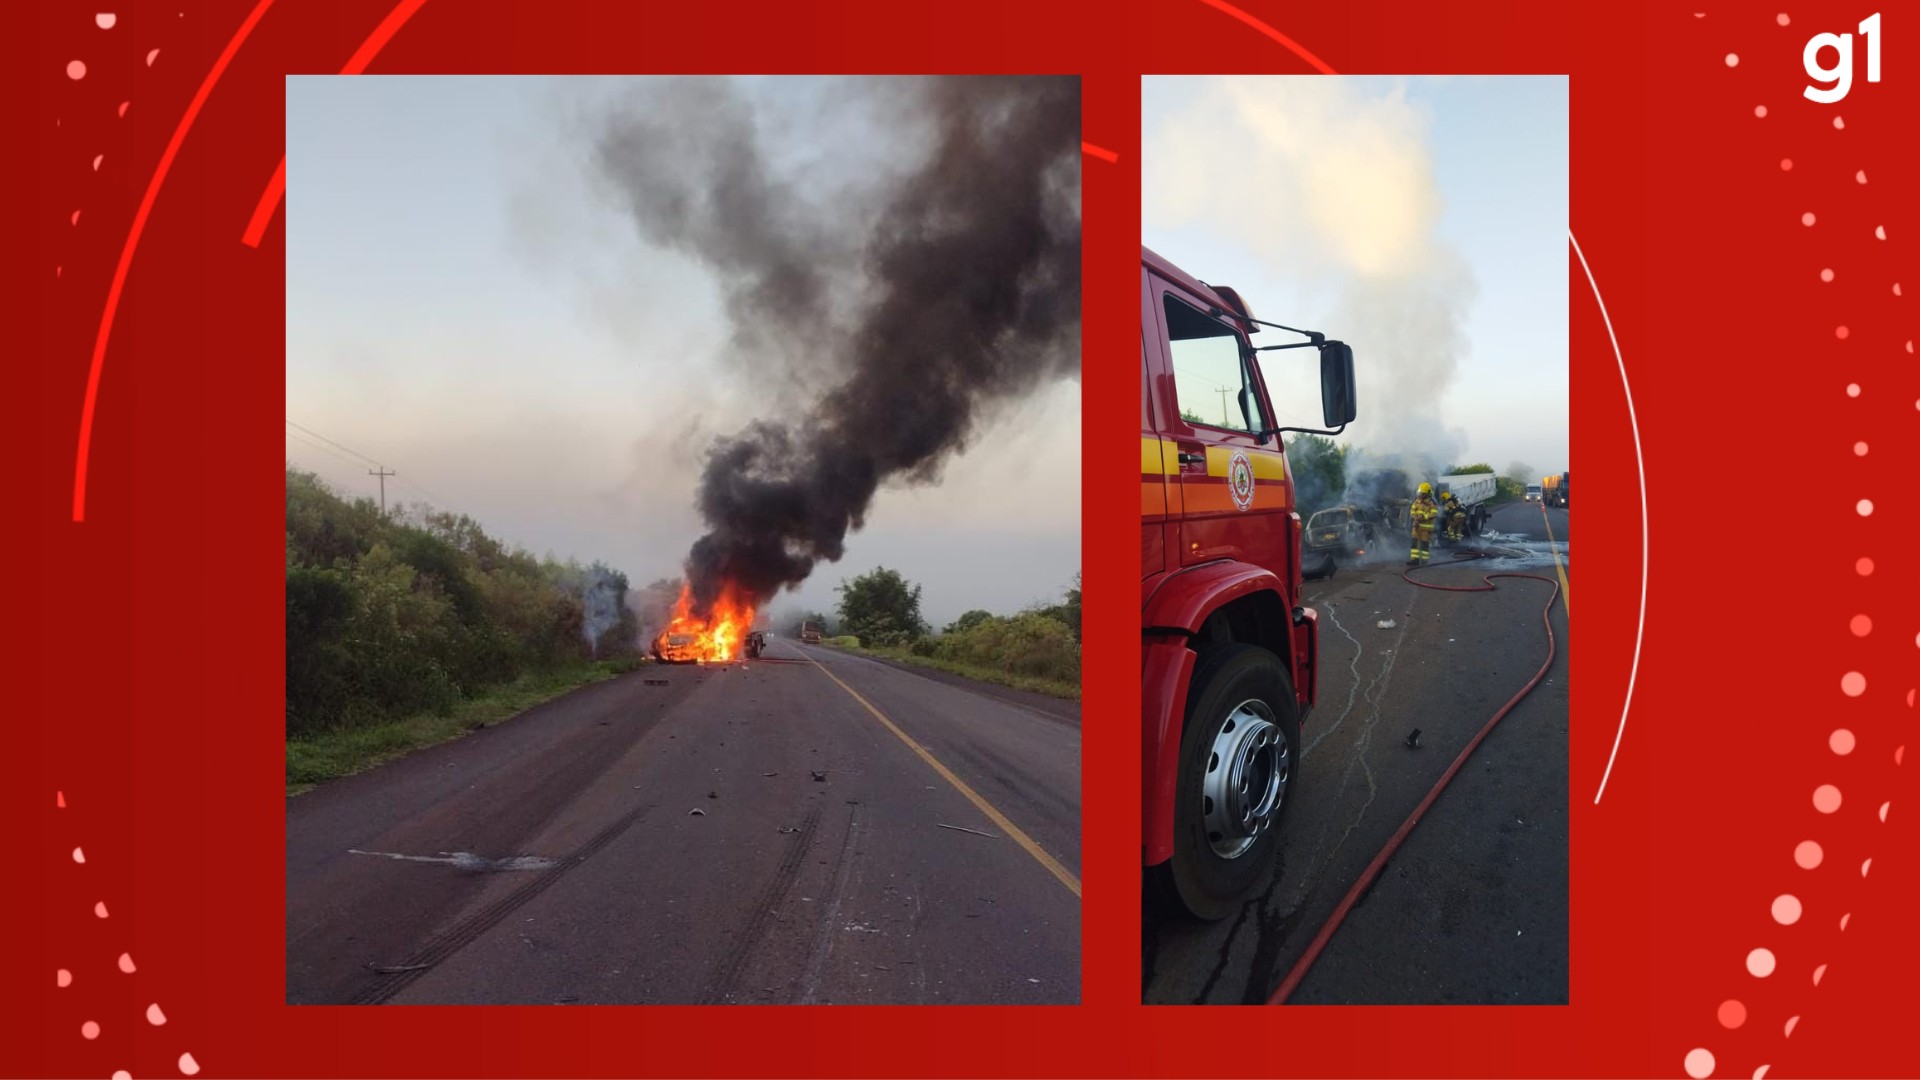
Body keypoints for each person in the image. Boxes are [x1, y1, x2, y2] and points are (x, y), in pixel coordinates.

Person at [1409, 482, 1438, 566]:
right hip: (1416, 526)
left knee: (1424, 545)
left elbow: (1433, 514)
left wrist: (1423, 516)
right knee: (1414, 543)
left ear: (1426, 494)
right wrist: (1414, 516)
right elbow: (1412, 510)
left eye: (1422, 493)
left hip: (1426, 528)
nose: (1420, 494)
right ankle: (1414, 560)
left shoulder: (1432, 503)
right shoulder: (1417, 501)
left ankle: (1424, 561)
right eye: (1419, 493)